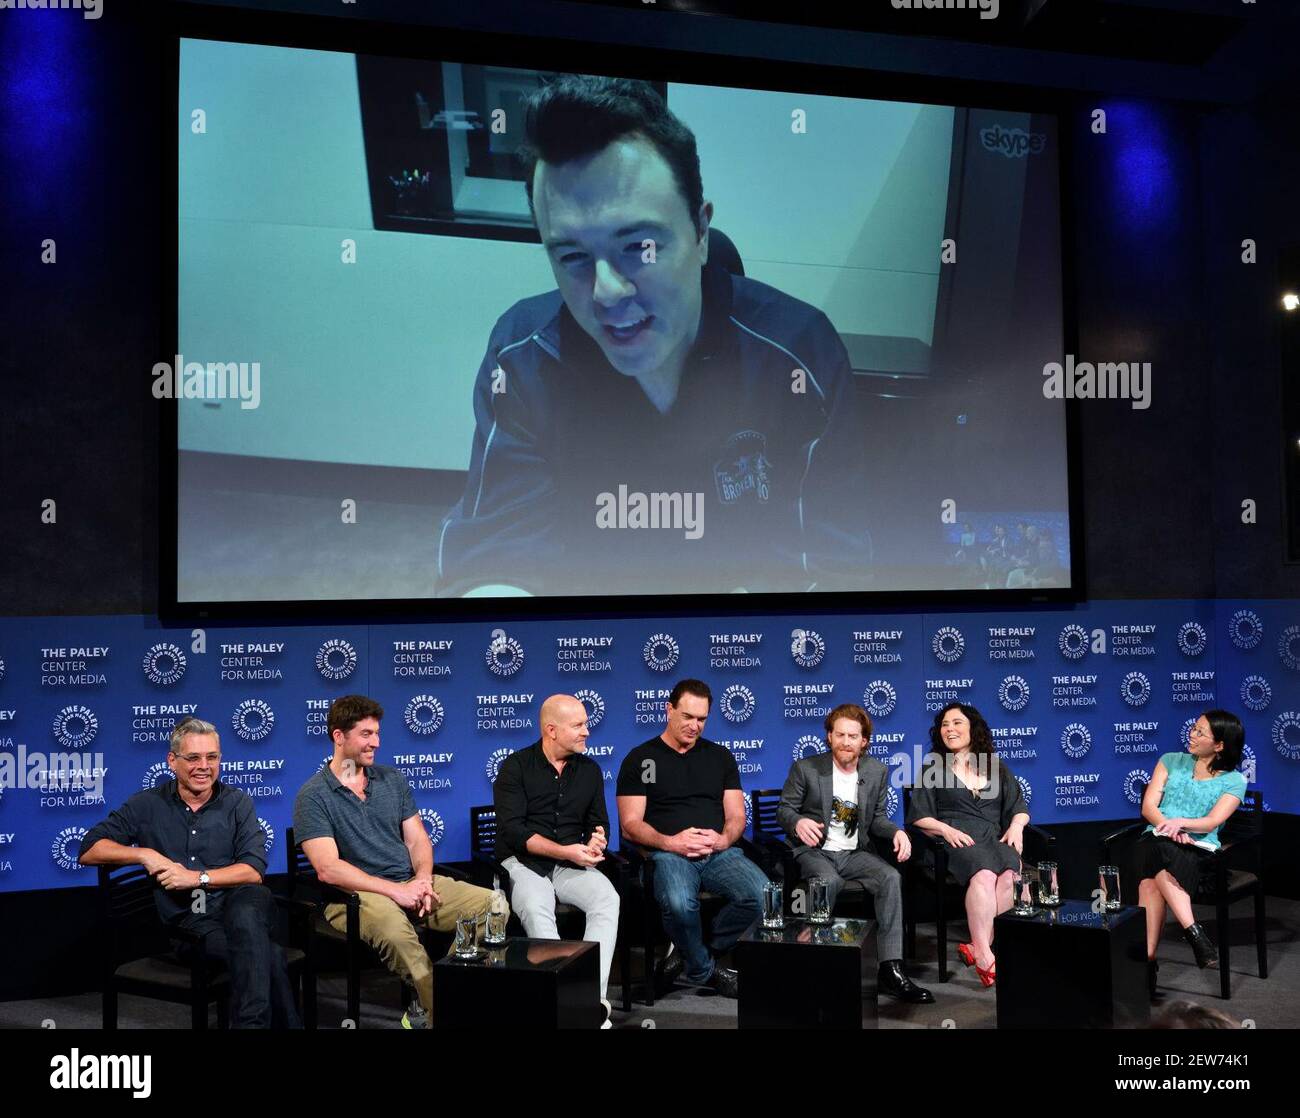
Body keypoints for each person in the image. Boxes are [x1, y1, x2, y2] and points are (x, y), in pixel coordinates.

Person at [436, 75, 870, 597]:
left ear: (701, 233)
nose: (606, 293)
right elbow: (493, 559)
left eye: (639, 247)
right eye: (572, 257)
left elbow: (835, 565)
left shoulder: (799, 357)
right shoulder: (522, 361)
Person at [79, 717, 301, 1028]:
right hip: (193, 923)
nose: (204, 766)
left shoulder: (237, 802)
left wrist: (197, 878)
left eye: (212, 757)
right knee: (268, 957)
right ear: (172, 761)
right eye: (193, 757)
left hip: (241, 906)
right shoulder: (147, 805)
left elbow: (253, 870)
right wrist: (144, 854)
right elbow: (89, 850)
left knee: (249, 906)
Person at [293, 695, 501, 1026]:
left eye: (376, 733)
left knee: (493, 905)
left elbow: (417, 838)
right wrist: (395, 891)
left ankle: (433, 1002)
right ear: (338, 736)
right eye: (365, 734)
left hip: (409, 883)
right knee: (401, 937)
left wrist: (421, 878)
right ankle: (450, 1013)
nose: (375, 742)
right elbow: (328, 869)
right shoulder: (313, 796)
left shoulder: (392, 780)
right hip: (353, 898)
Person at [616, 678, 768, 997]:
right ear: (669, 710)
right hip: (668, 853)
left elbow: (737, 815)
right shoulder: (642, 759)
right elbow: (630, 824)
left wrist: (724, 840)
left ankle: (690, 955)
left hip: (719, 853)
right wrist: (673, 843)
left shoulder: (720, 757)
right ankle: (706, 970)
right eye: (688, 716)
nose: (694, 726)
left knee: (763, 896)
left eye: (701, 719)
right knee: (678, 904)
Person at [778, 702, 934, 1003]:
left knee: (889, 877)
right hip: (815, 851)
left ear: (864, 741)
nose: (846, 742)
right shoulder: (806, 769)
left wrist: (897, 831)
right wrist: (798, 821)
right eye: (840, 735)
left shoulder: (876, 771)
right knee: (829, 882)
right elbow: (784, 810)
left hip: (854, 852)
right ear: (829, 736)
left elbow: (876, 818)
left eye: (853, 736)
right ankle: (815, 965)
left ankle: (891, 968)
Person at [494, 694, 621, 1027]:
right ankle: (558, 1002)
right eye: (578, 725)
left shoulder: (590, 770)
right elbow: (514, 832)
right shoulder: (516, 767)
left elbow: (599, 821)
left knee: (607, 898)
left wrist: (597, 841)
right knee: (538, 906)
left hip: (571, 864)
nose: (586, 732)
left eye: (585, 724)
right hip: (523, 862)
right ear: (551, 729)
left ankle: (592, 1000)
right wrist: (567, 851)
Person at [905, 703, 1030, 987]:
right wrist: (945, 829)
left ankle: (976, 947)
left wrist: (1017, 826)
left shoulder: (995, 767)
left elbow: (1018, 806)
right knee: (984, 874)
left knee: (1010, 876)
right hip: (957, 838)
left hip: (994, 837)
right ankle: (986, 956)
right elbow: (918, 816)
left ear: (973, 728)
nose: (950, 729)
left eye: (957, 723)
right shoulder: (933, 767)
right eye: (945, 724)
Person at [1132, 711, 1247, 993]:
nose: (1191, 735)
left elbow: (1212, 821)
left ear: (1219, 745)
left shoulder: (1235, 781)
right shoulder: (1170, 761)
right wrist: (1170, 829)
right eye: (1194, 728)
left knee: (1150, 879)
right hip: (1160, 839)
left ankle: (1147, 963)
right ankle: (1195, 934)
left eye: (1200, 732)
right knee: (1157, 849)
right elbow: (1149, 808)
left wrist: (1181, 824)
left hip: (1200, 851)